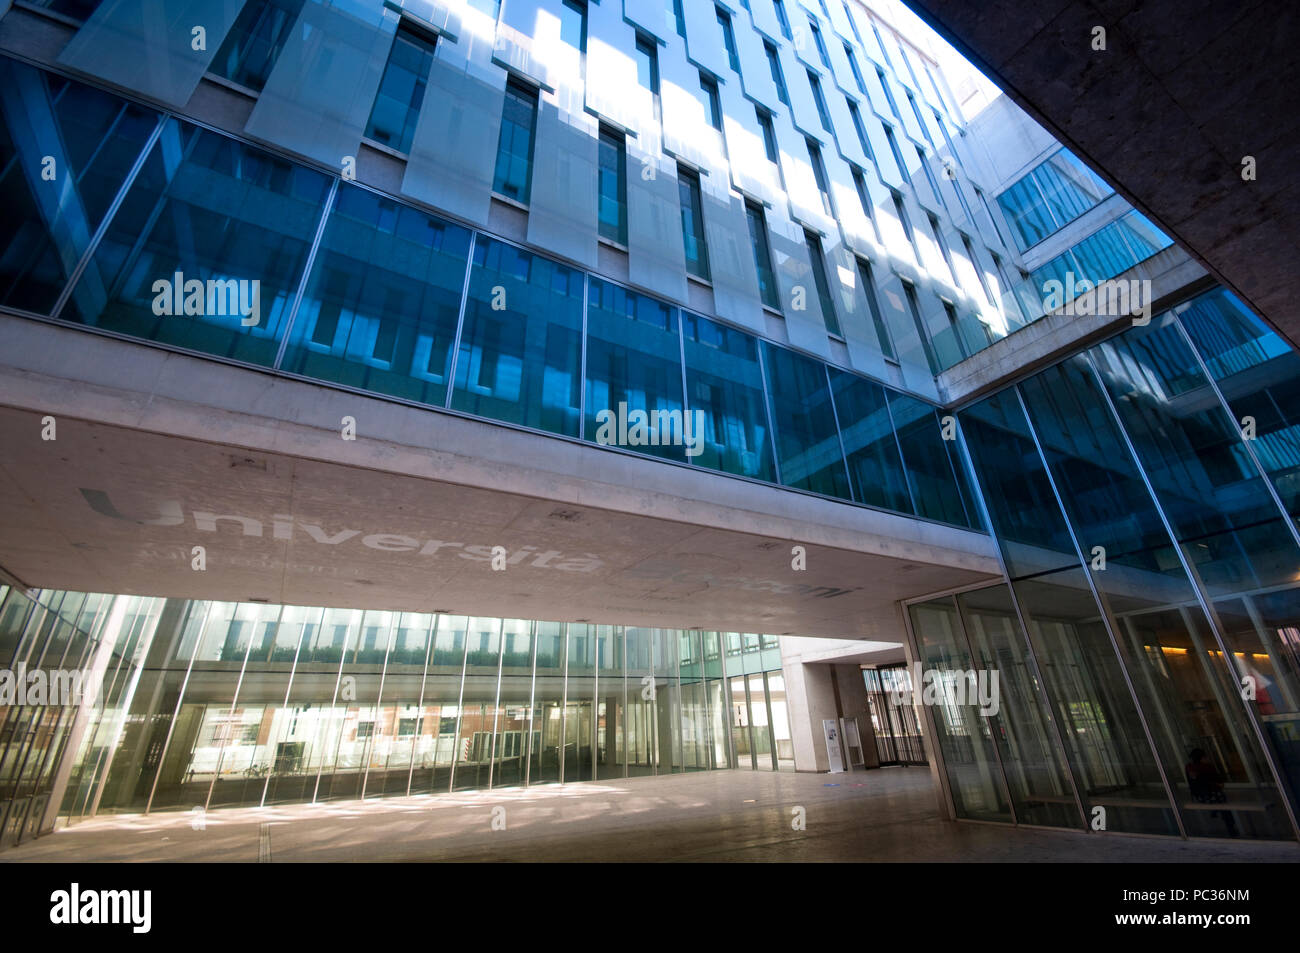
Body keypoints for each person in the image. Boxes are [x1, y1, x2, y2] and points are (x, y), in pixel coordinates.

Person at [1185, 748, 1238, 837]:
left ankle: (1215, 811)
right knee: (1224, 806)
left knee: (1220, 801)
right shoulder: (1207, 767)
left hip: (1199, 796)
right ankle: (1231, 827)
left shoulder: (1189, 767)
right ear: (1202, 758)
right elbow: (1218, 782)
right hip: (1212, 795)